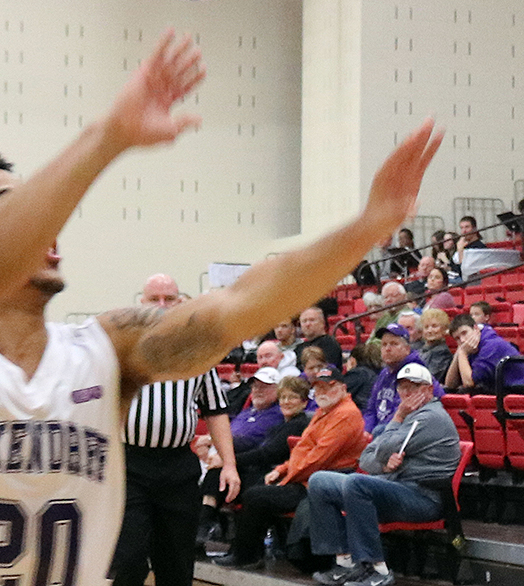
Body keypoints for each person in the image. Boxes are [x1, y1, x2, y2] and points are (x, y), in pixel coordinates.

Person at [0, 32, 439, 586]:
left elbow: (238, 303)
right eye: (16, 209)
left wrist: (368, 225)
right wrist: (106, 137)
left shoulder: (101, 349)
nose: (46, 225)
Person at [115, 272, 239, 586]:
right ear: (141, 303)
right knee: (128, 559)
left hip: (177, 467)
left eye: (169, 299)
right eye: (154, 299)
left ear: (180, 302)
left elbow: (215, 409)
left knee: (176, 565)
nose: (162, 305)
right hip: (128, 464)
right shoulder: (122, 347)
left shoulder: (199, 349)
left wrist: (230, 464)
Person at [306, 363, 462, 586]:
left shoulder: (429, 417)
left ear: (428, 390)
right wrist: (385, 466)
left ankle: (377, 569)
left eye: (414, 387)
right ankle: (346, 564)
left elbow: (381, 449)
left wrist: (397, 417)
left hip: (424, 497)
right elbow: (367, 459)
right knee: (319, 481)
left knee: (357, 483)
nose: (406, 393)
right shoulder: (409, 418)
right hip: (394, 486)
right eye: (402, 388)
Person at [217, 365, 367, 570]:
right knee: (258, 486)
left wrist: (287, 478)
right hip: (308, 477)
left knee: (257, 495)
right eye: (319, 388)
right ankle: (243, 552)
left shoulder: (346, 414)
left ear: (342, 388)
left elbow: (318, 458)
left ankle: (247, 556)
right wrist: (281, 470)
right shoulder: (325, 412)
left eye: (328, 387)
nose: (323, 392)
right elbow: (302, 450)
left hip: (325, 482)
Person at [227, 374, 311, 491]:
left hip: (279, 475)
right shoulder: (281, 425)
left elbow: (267, 454)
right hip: (263, 471)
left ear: (304, 402)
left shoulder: (298, 424)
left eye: (292, 397)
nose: (286, 402)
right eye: (283, 397)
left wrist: (229, 461)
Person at [363, 323, 439, 432]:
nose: (387, 349)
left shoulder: (415, 372)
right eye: (384, 344)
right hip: (382, 432)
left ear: (407, 349)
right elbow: (371, 409)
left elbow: (405, 410)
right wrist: (366, 432)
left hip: (404, 431)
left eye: (394, 344)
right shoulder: (384, 373)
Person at [446, 312, 524, 394]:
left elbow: (469, 383)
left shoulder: (492, 345)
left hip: (513, 392)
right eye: (457, 338)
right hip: (495, 390)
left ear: (476, 329)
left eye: (464, 333)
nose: (462, 340)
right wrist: (459, 350)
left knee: (465, 394)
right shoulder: (469, 347)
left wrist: (462, 353)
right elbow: (450, 385)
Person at [295, 305, 344, 369]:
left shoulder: (329, 344)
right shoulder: (299, 348)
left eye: (312, 320)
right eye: (304, 321)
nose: (307, 324)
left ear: (322, 323)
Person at [415, 307, 454, 383]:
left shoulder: (442, 353)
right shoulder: (420, 350)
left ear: (444, 329)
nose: (430, 330)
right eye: (426, 327)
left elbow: (430, 378)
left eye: (434, 326)